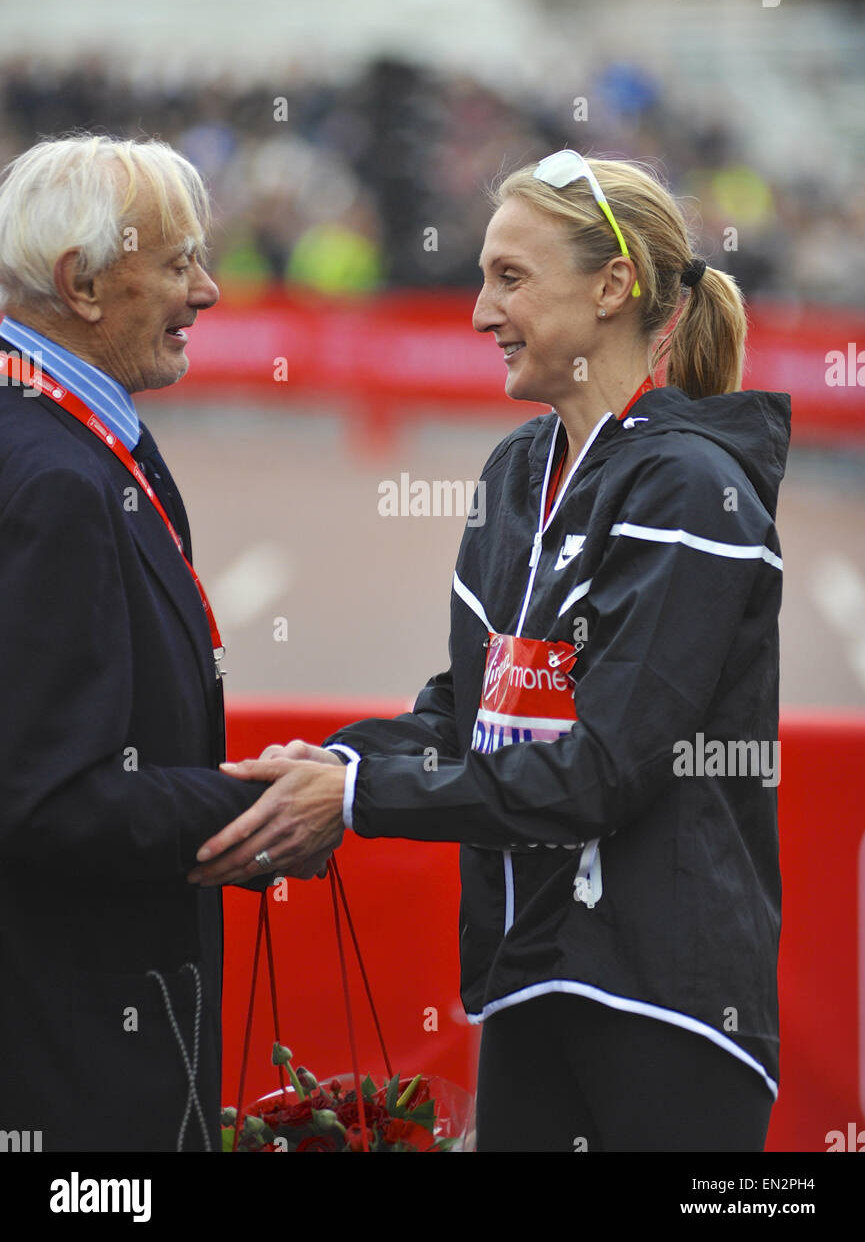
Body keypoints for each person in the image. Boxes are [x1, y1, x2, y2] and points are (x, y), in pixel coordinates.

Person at [191, 149, 790, 1153]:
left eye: (509, 277)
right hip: (530, 974)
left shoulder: (689, 488)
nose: (476, 312)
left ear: (611, 287)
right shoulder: (519, 470)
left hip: (665, 1008)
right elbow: (473, 707)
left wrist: (354, 801)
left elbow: (600, 768)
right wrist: (337, 763)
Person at [0, 134, 320, 1152]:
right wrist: (264, 805)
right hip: (70, 1055)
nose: (211, 290)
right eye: (180, 261)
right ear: (82, 283)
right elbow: (47, 797)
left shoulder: (66, 437)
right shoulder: (54, 477)